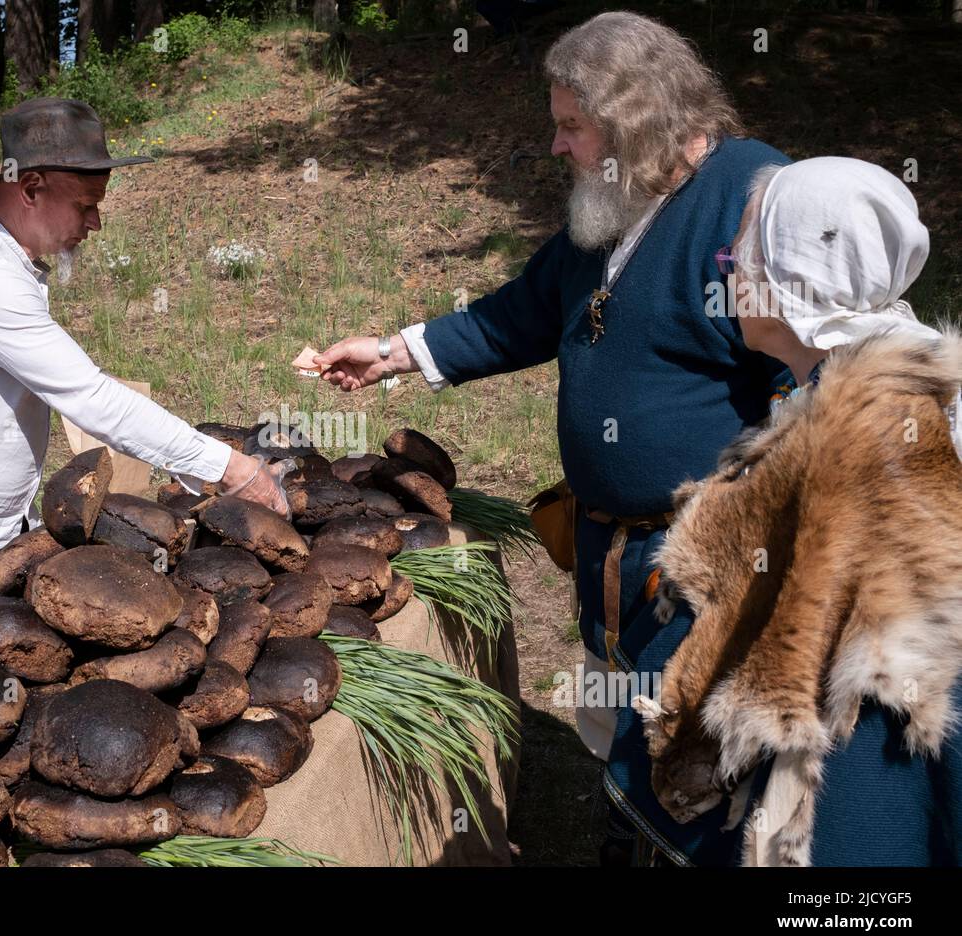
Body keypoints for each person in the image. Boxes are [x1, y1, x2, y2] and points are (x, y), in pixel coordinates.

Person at [313, 11, 789, 864]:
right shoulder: (614, 205)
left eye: (572, 124)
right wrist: (391, 354)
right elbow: (523, 314)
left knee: (705, 750)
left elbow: (806, 374)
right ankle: (627, 829)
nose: (559, 145)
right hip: (611, 555)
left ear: (635, 116)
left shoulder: (752, 198)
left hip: (705, 562)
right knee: (625, 724)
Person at [0, 98, 288, 690]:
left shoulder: (4, 262)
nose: (94, 224)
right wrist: (230, 467)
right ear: (30, 187)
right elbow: (89, 398)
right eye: (86, 206)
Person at [628, 156, 962, 865]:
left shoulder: (866, 427)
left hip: (869, 777)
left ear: (793, 279)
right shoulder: (862, 381)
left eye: (737, 257)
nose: (726, 275)